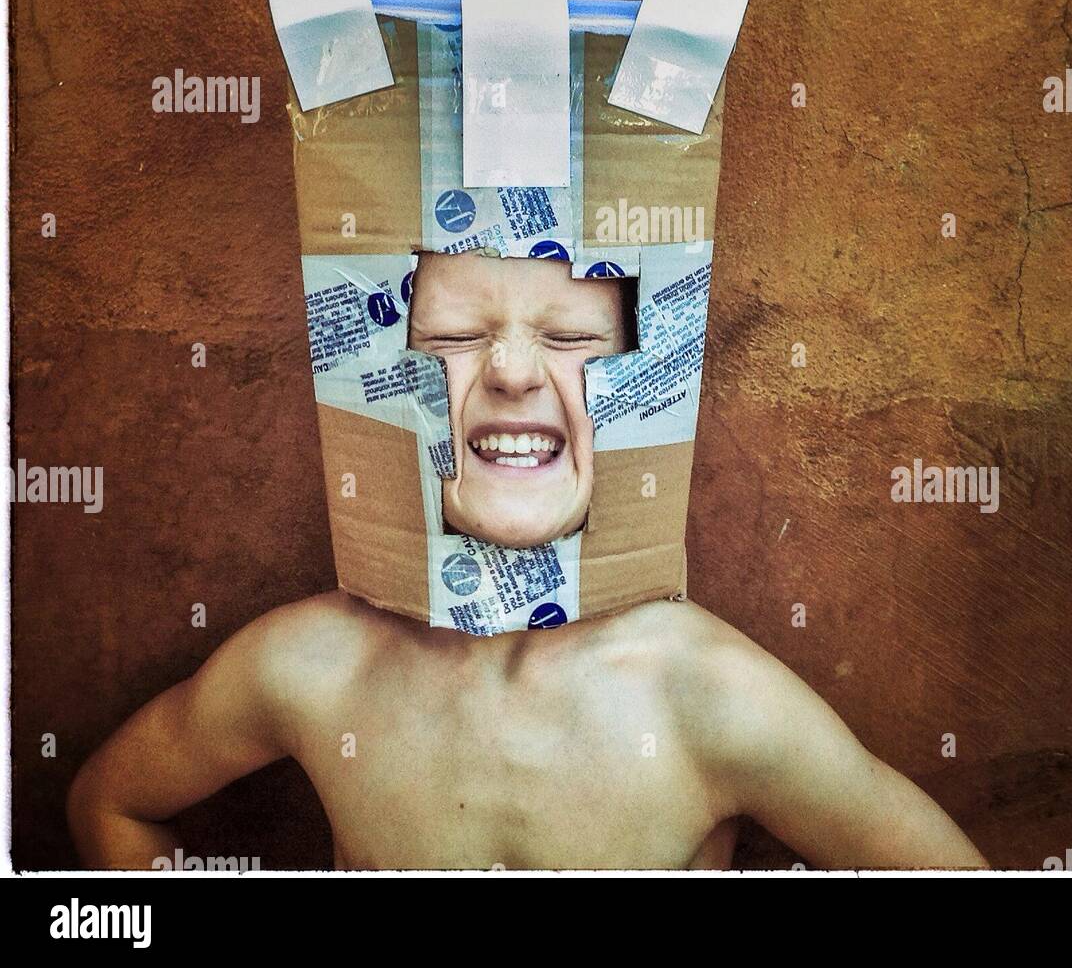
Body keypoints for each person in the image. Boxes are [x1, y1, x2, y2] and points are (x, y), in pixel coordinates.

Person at [67, 253, 986, 871]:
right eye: (457, 335)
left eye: (573, 338)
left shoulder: (706, 696)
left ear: (639, 379)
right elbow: (110, 805)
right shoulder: (311, 667)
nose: (509, 369)